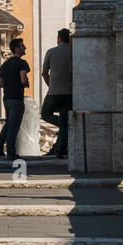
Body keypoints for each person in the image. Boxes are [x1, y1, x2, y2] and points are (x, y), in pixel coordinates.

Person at [0, 37, 30, 161]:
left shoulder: (5, 64)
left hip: (6, 98)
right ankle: (11, 152)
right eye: (22, 45)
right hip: (17, 97)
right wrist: (25, 84)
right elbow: (23, 79)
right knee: (14, 126)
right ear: (17, 48)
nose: (25, 48)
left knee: (9, 124)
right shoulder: (22, 63)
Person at [42, 28, 72, 158]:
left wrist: (50, 84)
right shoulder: (73, 52)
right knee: (65, 121)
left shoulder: (51, 52)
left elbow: (44, 72)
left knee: (45, 114)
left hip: (54, 91)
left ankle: (58, 149)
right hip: (70, 92)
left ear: (59, 38)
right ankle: (59, 148)